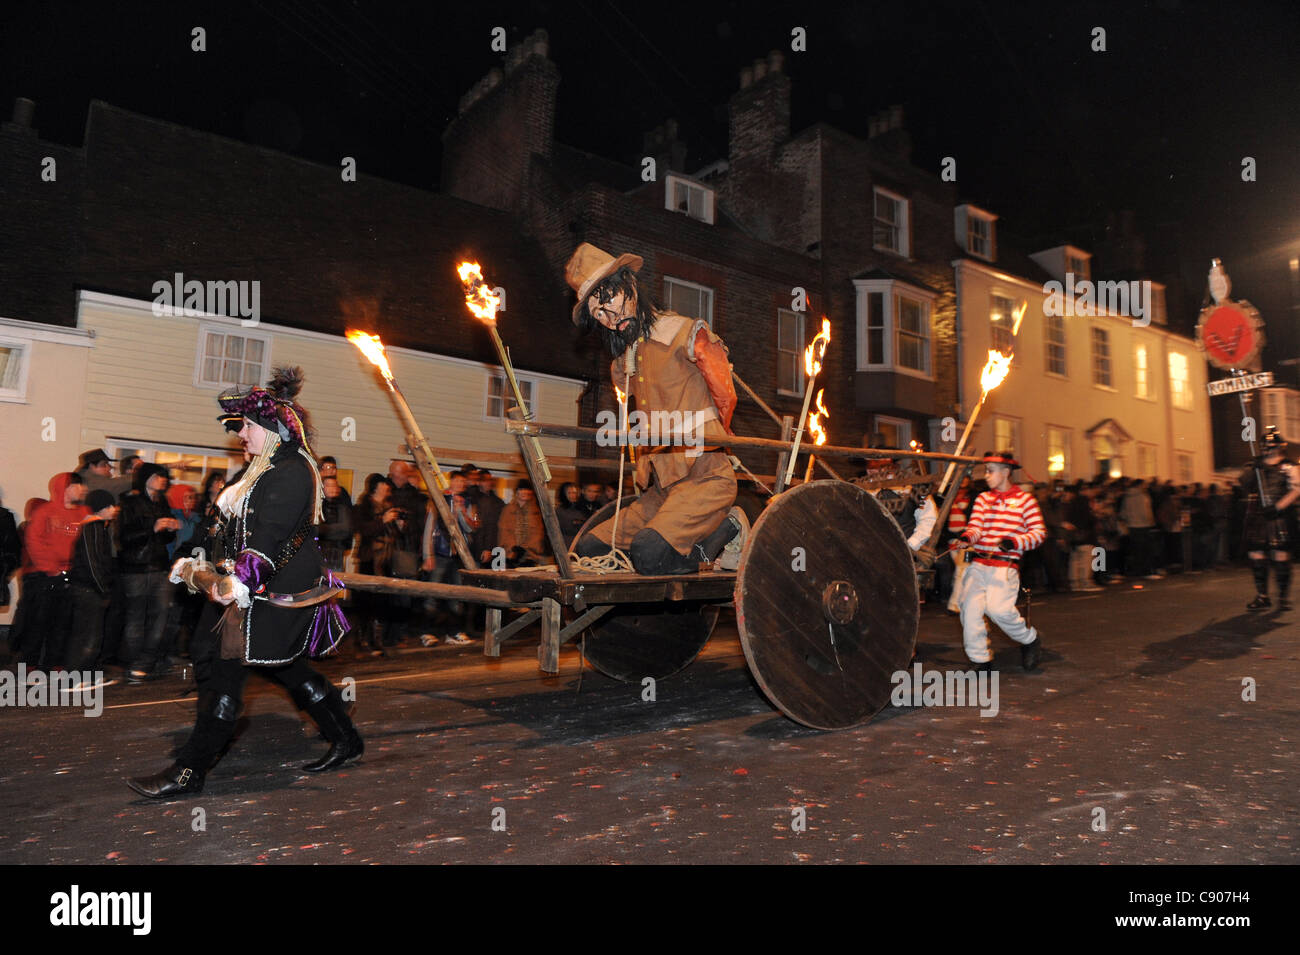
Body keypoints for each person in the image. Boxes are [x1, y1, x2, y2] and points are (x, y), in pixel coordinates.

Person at [127, 366, 357, 798]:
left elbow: (269, 534)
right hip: (240, 589)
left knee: (224, 675)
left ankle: (189, 771)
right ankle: (347, 739)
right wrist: (189, 557)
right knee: (285, 670)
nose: (240, 434)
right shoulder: (253, 471)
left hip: (268, 591)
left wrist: (243, 581)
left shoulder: (291, 469)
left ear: (270, 427)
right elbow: (219, 528)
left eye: (247, 425)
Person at [566, 242, 745, 574]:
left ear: (630, 285)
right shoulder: (625, 361)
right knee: (587, 551)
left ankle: (726, 530)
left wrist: (718, 440)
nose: (608, 318)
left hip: (705, 478)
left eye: (609, 301)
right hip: (659, 491)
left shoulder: (685, 333)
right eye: (598, 314)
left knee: (648, 554)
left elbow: (725, 395)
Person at [950, 451, 1046, 672]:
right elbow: (975, 527)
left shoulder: (1025, 501)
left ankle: (1030, 639)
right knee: (970, 610)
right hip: (979, 565)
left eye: (990, 470)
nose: (986, 475)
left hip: (1004, 566)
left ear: (1005, 472)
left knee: (999, 611)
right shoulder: (983, 499)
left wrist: (1014, 542)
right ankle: (981, 660)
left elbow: (1039, 534)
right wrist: (967, 538)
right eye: (985, 470)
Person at [12, 473, 89, 672]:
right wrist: (51, 569)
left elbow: (88, 545)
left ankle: (54, 662)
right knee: (38, 621)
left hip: (71, 575)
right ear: (66, 488)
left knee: (63, 622)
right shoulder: (45, 511)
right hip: (43, 576)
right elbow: (34, 542)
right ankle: (29, 664)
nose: (83, 489)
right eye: (78, 485)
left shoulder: (84, 513)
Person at [117, 463, 180, 683]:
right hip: (135, 569)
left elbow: (163, 540)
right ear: (146, 478)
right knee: (135, 617)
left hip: (160, 566)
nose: (163, 480)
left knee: (161, 617)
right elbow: (123, 538)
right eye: (158, 476)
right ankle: (134, 664)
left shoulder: (162, 502)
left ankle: (147, 662)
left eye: (164, 477)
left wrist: (170, 529)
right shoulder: (129, 502)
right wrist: (152, 528)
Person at [1242, 427, 1298, 611]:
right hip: (1259, 515)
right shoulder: (1255, 464)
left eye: (1271, 446)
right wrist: (1251, 470)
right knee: (1257, 554)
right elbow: (1245, 484)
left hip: (1280, 515)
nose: (1269, 450)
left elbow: (1296, 489)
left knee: (1280, 555)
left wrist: (1278, 507)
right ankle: (1262, 596)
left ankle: (1282, 597)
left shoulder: (1289, 465)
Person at [65, 489, 119, 680]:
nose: (114, 509)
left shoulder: (97, 526)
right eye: (110, 506)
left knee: (87, 634)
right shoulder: (94, 526)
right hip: (89, 589)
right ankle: (75, 676)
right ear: (101, 508)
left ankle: (82, 674)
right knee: (88, 636)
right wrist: (103, 589)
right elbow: (92, 562)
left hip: (88, 587)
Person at [422, 468, 478, 645]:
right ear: (450, 482)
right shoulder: (438, 500)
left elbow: (470, 528)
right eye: (457, 481)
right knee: (433, 593)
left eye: (463, 482)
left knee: (456, 595)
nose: (460, 485)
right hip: (439, 552)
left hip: (458, 555)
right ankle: (428, 632)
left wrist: (461, 510)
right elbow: (429, 528)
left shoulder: (468, 502)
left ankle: (454, 632)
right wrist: (427, 554)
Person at [498, 481, 546, 567]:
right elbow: (503, 532)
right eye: (521, 489)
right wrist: (513, 548)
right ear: (516, 492)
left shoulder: (536, 511)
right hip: (510, 556)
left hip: (530, 557)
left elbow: (538, 534)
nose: (524, 492)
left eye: (527, 489)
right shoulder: (508, 510)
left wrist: (526, 549)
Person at [555, 482, 587, 548]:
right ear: (564, 494)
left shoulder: (582, 508)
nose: (573, 495)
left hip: (581, 541)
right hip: (565, 542)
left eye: (574, 493)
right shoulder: (559, 510)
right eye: (569, 493)